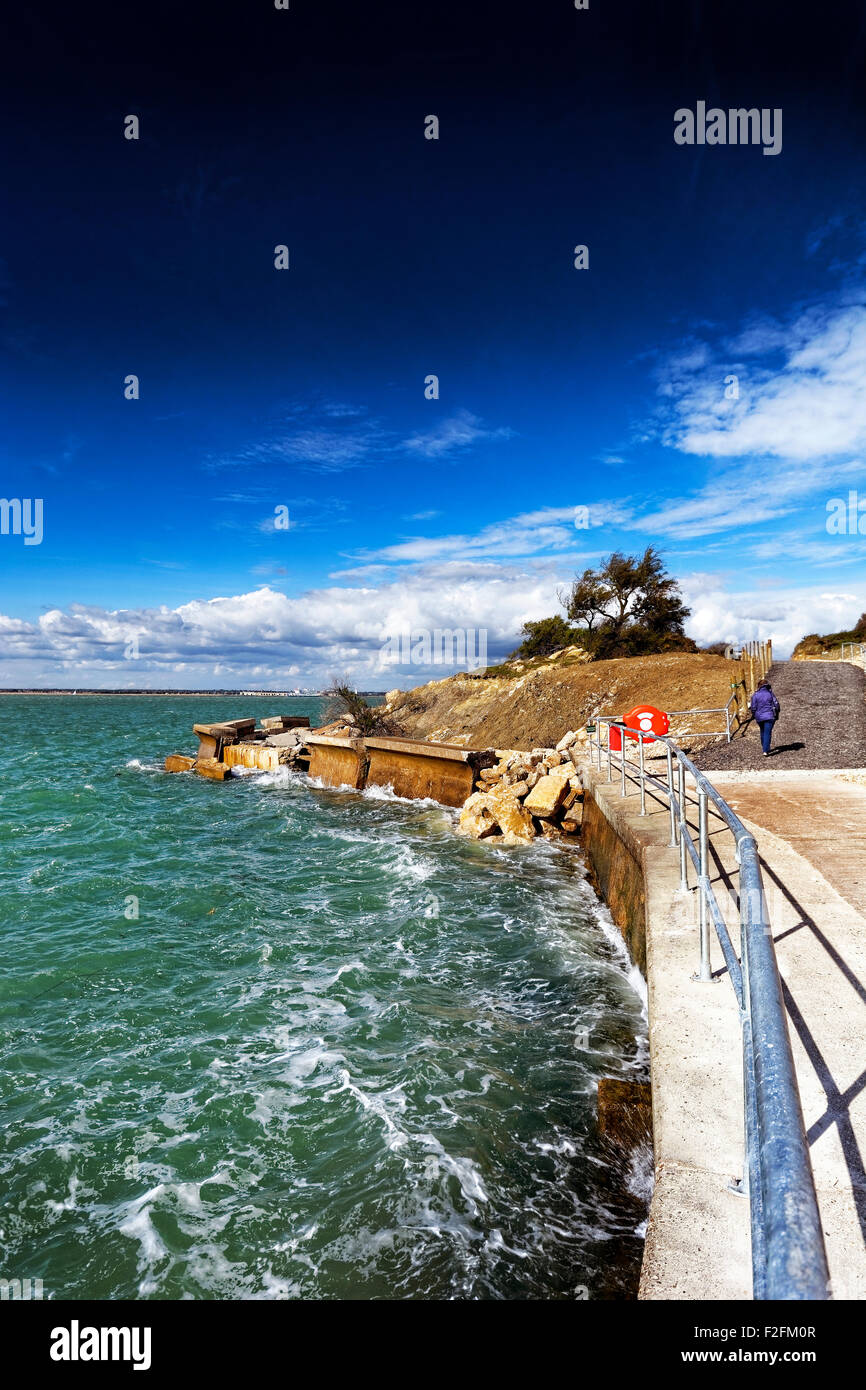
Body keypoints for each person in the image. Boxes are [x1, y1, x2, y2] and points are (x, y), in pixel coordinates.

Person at [750, 678, 781, 756]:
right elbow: (776, 704)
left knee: (762, 731)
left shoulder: (755, 695)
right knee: (767, 732)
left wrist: (754, 714)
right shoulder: (770, 694)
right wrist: (777, 712)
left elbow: (753, 707)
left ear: (759, 686)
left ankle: (764, 747)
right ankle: (765, 750)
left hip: (759, 717)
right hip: (770, 716)